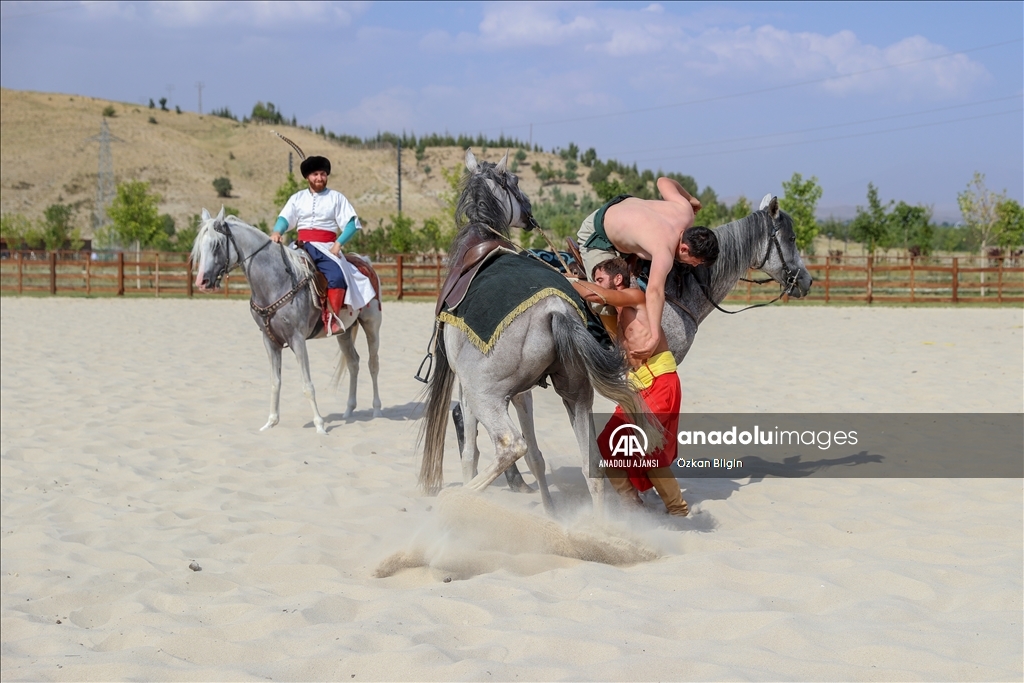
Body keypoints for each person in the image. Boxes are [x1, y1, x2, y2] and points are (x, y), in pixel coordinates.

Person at [572, 258, 689, 516]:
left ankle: (677, 509)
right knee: (606, 443)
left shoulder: (636, 296)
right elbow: (599, 301)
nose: (596, 284)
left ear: (617, 279)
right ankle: (630, 501)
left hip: (660, 379)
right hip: (636, 387)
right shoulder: (616, 312)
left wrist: (569, 281)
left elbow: (597, 294)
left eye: (600, 278)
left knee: (649, 448)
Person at [576, 177, 719, 360]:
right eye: (695, 261)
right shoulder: (664, 250)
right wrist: (654, 336)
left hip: (623, 209)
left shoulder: (686, 212)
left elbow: (662, 181)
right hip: (598, 234)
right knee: (607, 296)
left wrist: (690, 198)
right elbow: (655, 291)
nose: (694, 265)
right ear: (684, 248)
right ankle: (617, 355)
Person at [270, 155, 373, 335]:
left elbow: (351, 224)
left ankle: (334, 318)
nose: (319, 178)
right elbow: (285, 218)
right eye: (315, 174)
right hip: (300, 246)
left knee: (337, 277)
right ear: (307, 177)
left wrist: (338, 244)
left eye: (323, 174)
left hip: (327, 247)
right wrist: (278, 231)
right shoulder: (297, 198)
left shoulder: (336, 198)